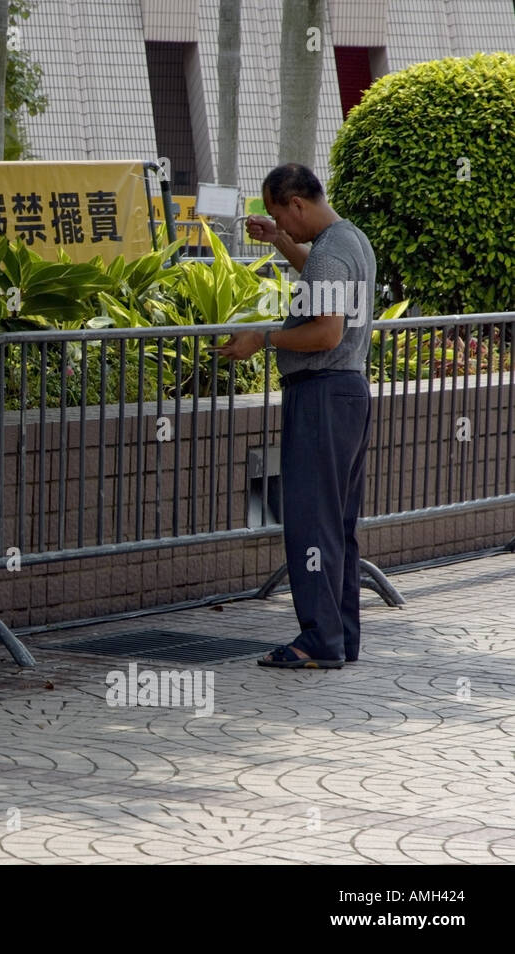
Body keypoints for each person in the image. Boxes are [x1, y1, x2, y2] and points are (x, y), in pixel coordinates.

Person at [215, 163, 376, 670]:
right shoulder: (351, 241)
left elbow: (325, 332)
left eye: (281, 217)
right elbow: (323, 280)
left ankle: (317, 642)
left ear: (297, 204)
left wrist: (261, 339)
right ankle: (339, 636)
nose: (283, 227)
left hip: (321, 393)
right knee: (337, 523)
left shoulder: (330, 254)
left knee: (310, 522)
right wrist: (281, 245)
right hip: (348, 391)